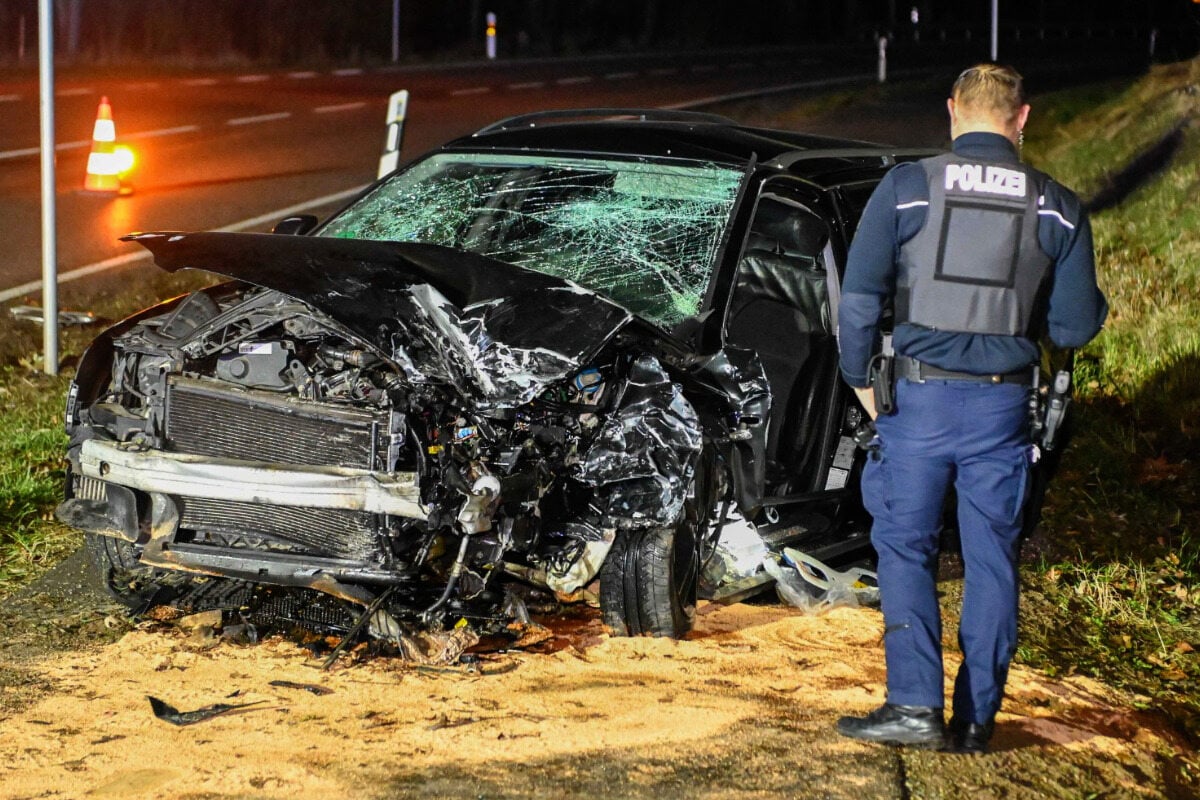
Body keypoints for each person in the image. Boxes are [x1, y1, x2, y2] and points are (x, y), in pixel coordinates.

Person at [834, 63, 1107, 754]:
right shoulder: (1058, 207)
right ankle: (977, 721)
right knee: (991, 560)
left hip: (917, 402)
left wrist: (865, 388)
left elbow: (859, 301)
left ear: (953, 112)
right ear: (1023, 119)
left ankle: (914, 707)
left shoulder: (905, 189)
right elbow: (1074, 329)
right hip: (1002, 412)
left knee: (905, 549)